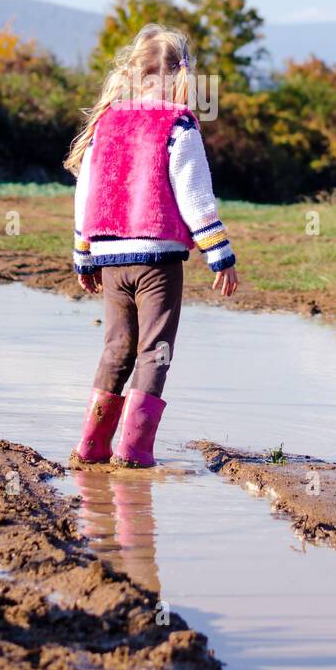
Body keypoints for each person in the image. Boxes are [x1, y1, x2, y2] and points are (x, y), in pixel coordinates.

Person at [65, 24, 238, 468]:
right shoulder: (178, 124)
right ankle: (135, 451)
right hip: (157, 259)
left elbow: (86, 192)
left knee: (117, 347)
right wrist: (220, 255)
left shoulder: (106, 123)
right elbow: (194, 194)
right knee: (155, 349)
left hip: (109, 258)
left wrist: (83, 256)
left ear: (135, 71)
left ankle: (91, 446)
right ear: (182, 74)